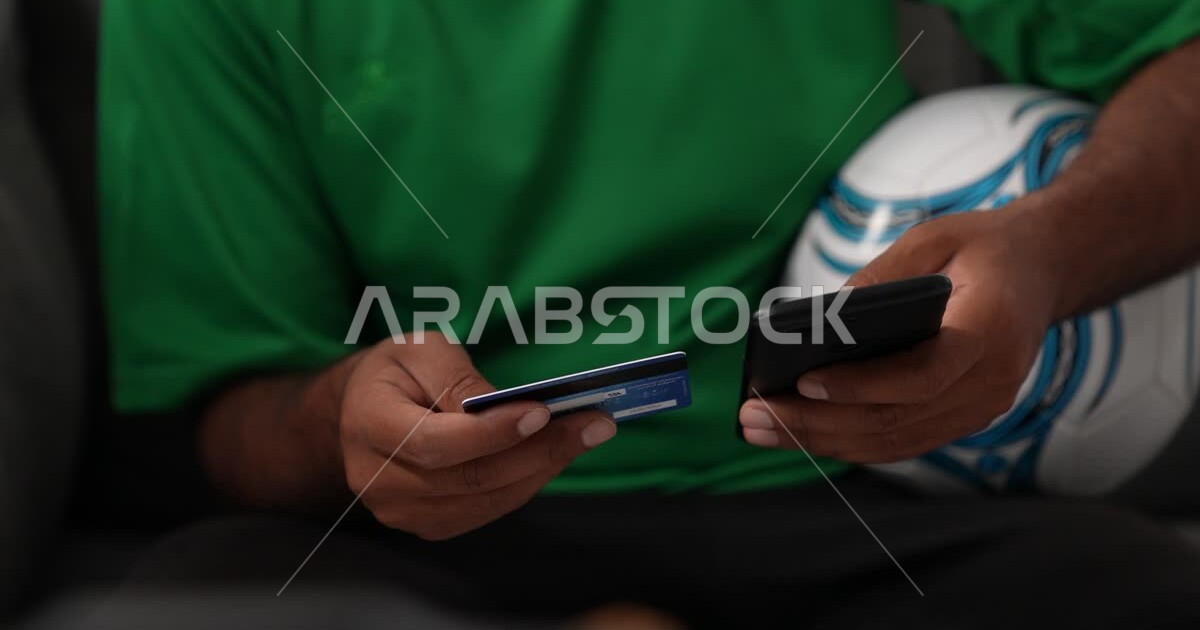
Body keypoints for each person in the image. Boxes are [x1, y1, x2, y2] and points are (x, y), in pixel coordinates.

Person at [98, 1, 1200, 627]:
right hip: (446, 540)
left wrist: (1048, 255)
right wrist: (347, 416)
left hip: (860, 506)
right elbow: (225, 409)